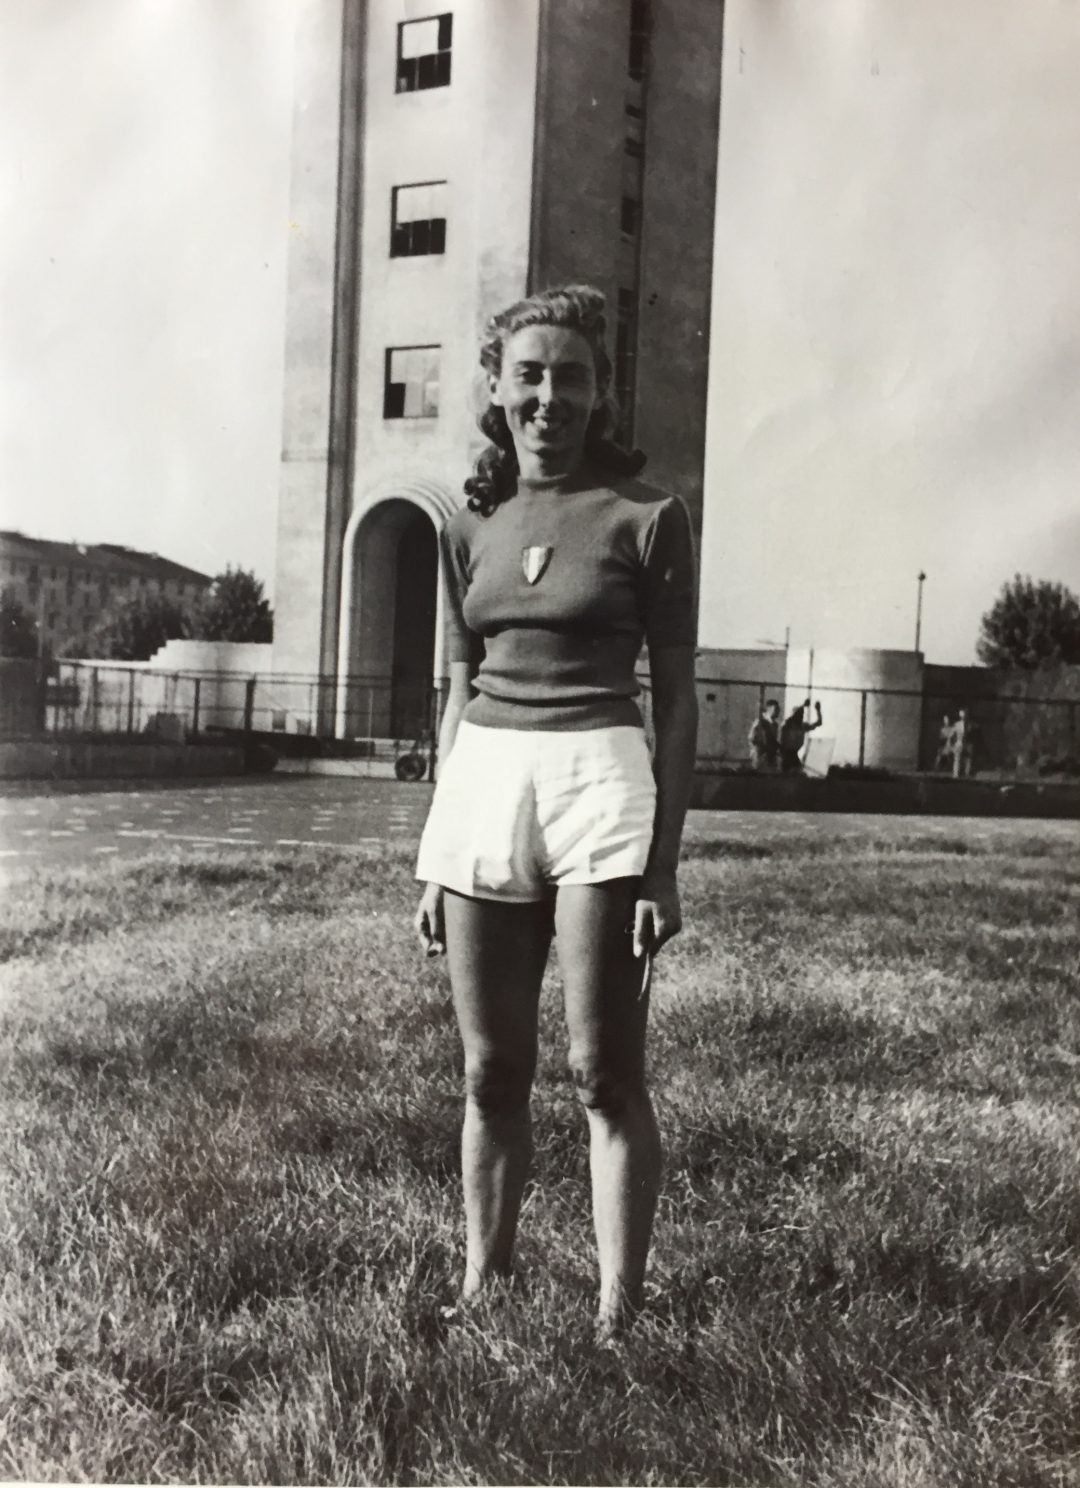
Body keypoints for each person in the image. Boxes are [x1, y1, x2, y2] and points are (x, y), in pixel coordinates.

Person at [412, 285, 698, 1338]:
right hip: (486, 782)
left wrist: (662, 865)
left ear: (599, 393)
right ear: (496, 388)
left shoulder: (648, 517)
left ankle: (620, 1315)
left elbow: (677, 702)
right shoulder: (467, 527)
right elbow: (457, 692)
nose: (549, 396)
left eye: (571, 376)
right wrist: (437, 854)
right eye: (528, 374)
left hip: (599, 780)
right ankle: (485, 1286)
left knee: (600, 1071)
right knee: (491, 1072)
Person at [779, 699, 823, 772]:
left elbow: (819, 723)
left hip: (794, 753)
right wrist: (803, 705)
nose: (801, 716)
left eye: (802, 714)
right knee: (786, 772)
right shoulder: (787, 725)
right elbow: (790, 719)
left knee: (798, 771)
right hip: (786, 753)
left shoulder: (802, 726)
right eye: (798, 714)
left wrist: (818, 710)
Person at [748, 698, 781, 771]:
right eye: (776, 709)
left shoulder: (775, 725)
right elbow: (751, 738)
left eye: (778, 709)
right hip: (761, 756)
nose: (778, 712)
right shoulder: (760, 722)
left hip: (771, 755)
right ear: (769, 710)